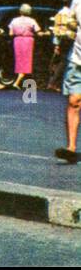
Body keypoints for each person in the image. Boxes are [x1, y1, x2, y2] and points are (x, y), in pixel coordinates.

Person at [56, 15, 81, 163]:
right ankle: (71, 148)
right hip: (77, 61)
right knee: (74, 101)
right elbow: (70, 24)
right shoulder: (78, 1)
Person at [8, 4, 40, 90]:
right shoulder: (31, 20)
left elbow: (10, 33)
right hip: (28, 40)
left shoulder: (14, 20)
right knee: (26, 61)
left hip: (17, 40)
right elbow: (38, 31)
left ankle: (22, 81)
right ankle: (17, 82)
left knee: (19, 60)